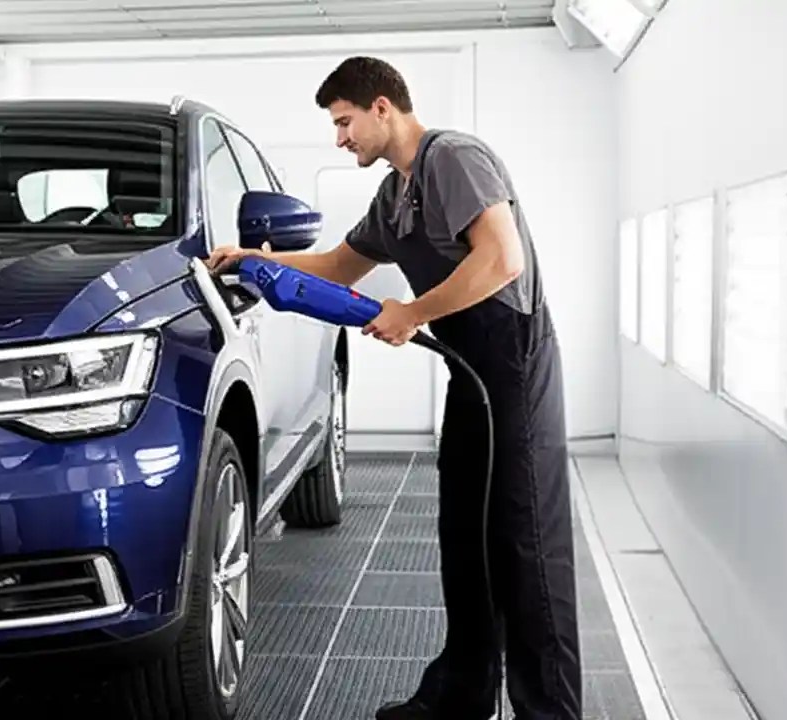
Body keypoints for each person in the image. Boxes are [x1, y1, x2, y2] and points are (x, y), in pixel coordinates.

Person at [207, 56, 581, 720]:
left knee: (524, 546)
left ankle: (549, 712)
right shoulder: (395, 194)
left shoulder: (454, 158)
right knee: (464, 538)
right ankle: (461, 697)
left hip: (515, 368)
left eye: (344, 122)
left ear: (383, 108)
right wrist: (260, 260)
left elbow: (502, 258)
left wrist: (411, 313)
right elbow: (336, 264)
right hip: (470, 374)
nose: (340, 139)